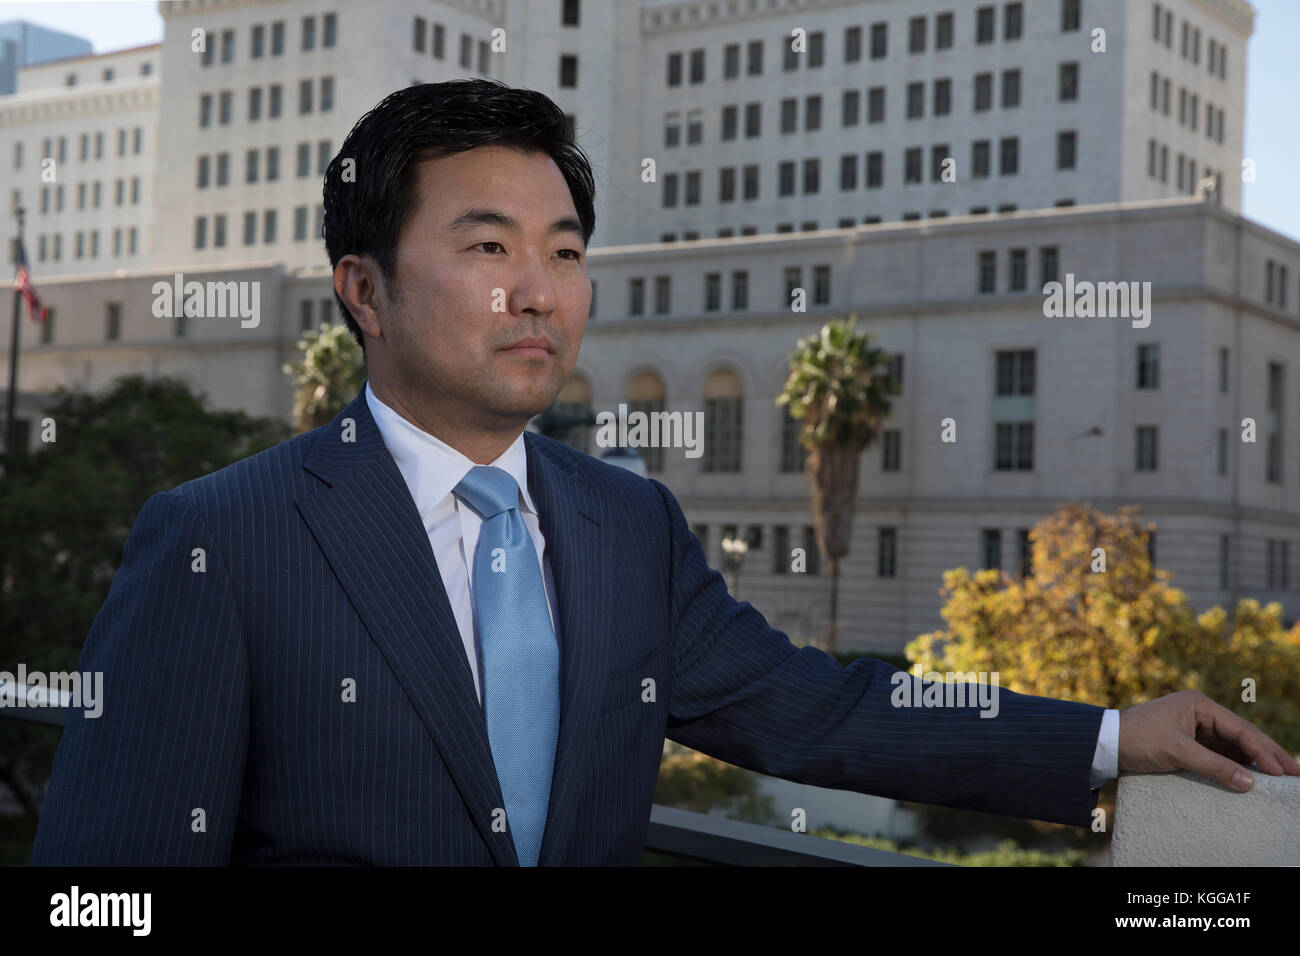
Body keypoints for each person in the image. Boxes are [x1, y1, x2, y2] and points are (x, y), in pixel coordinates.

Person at [31, 79, 1300, 866]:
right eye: (486, 245)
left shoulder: (623, 520)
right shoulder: (220, 539)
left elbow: (817, 707)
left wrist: (1102, 736)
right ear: (362, 289)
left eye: (567, 250)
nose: (540, 290)